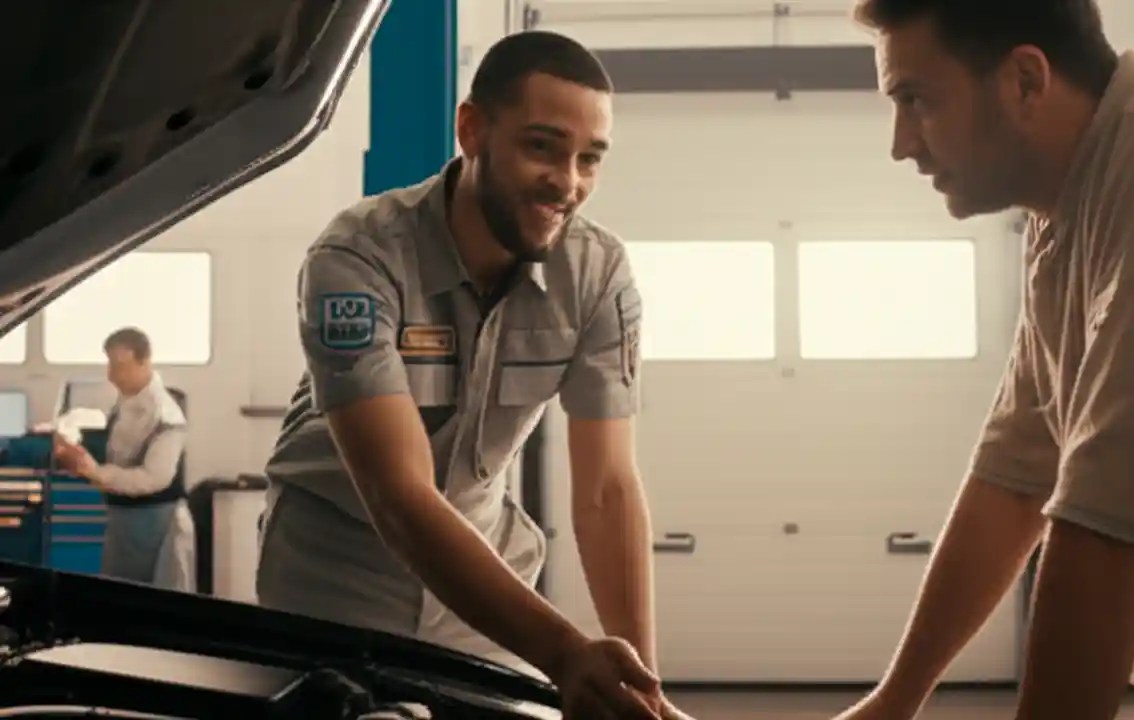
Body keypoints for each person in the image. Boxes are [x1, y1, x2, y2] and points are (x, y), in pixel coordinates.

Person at [835, 2, 1134, 719]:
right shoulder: (1062, 219)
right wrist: (895, 700)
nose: (901, 144)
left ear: (1024, 80)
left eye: (914, 100)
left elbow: (1108, 529)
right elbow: (1012, 480)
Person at [255, 31, 691, 720]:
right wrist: (567, 653)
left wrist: (639, 690)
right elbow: (398, 494)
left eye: (589, 159)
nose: (568, 182)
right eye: (542, 147)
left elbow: (607, 490)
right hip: (335, 584)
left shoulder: (599, 274)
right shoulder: (357, 257)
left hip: (487, 586)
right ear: (472, 129)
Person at [53, 326, 195, 592]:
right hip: (125, 524)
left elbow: (155, 478)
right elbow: (119, 450)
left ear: (145, 362)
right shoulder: (126, 402)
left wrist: (94, 471)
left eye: (120, 366)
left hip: (158, 526)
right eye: (110, 365)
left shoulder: (166, 416)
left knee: (159, 611)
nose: (112, 375)